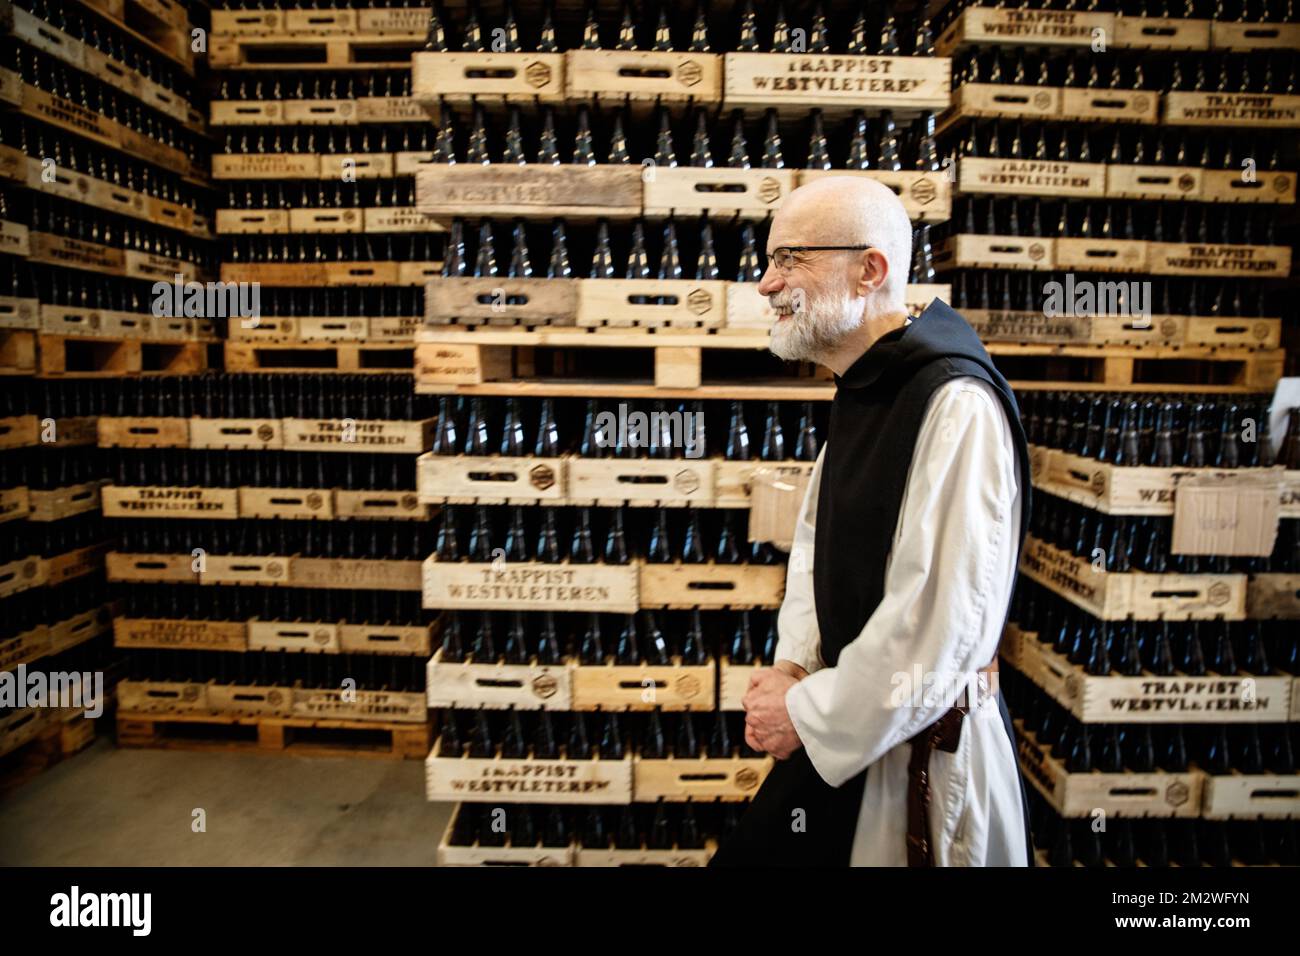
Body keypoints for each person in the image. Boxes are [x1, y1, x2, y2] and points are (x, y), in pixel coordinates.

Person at [710, 177, 1033, 867]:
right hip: (851, 729)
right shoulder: (868, 386)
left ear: (871, 271)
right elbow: (814, 546)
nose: (767, 284)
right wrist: (793, 662)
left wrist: (806, 711)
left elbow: (936, 628)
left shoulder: (954, 404)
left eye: (789, 259)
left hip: (916, 757)